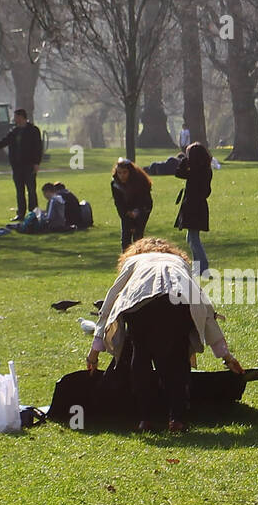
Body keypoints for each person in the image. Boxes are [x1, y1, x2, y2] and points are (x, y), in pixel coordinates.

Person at [86, 237, 244, 434]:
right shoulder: (179, 263)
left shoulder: (133, 262)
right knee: (177, 360)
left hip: (139, 304)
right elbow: (206, 310)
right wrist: (226, 357)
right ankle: (177, 419)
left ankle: (146, 419)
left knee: (141, 355)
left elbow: (109, 305)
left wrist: (94, 353)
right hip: (178, 303)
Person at [0, 108, 43, 222]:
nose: (14, 119)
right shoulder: (14, 132)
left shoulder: (33, 130)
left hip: (29, 165)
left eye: (16, 117)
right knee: (19, 190)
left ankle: (33, 213)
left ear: (22, 117)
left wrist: (36, 163)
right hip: (17, 166)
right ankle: (21, 213)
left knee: (31, 190)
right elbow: (3, 142)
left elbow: (38, 147)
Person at [174, 143, 214, 276]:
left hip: (194, 207)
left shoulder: (196, 171)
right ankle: (198, 269)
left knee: (193, 239)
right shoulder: (204, 169)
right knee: (191, 239)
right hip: (196, 206)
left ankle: (203, 267)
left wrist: (184, 161)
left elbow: (179, 173)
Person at [111, 157, 153, 252]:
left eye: (124, 172)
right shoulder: (115, 184)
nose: (122, 176)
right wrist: (127, 215)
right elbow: (119, 204)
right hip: (126, 212)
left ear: (130, 172)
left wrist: (136, 214)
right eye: (119, 173)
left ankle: (139, 258)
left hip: (142, 209)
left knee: (138, 237)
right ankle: (125, 261)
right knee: (125, 239)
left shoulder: (140, 182)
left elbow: (144, 202)